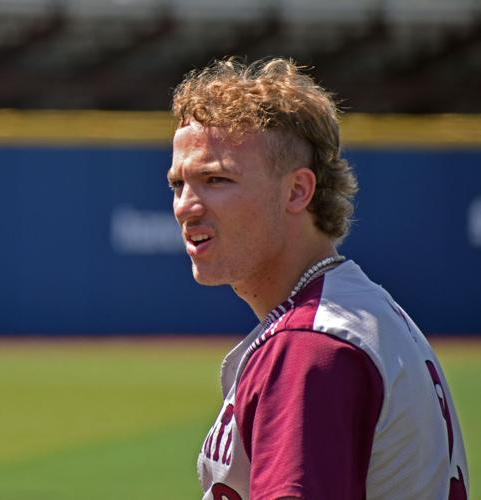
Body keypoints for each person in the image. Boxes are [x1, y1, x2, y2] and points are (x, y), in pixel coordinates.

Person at [166, 58, 469, 499]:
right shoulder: (359, 311)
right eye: (178, 184)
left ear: (297, 191)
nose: (186, 206)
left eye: (216, 179)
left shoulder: (310, 347)